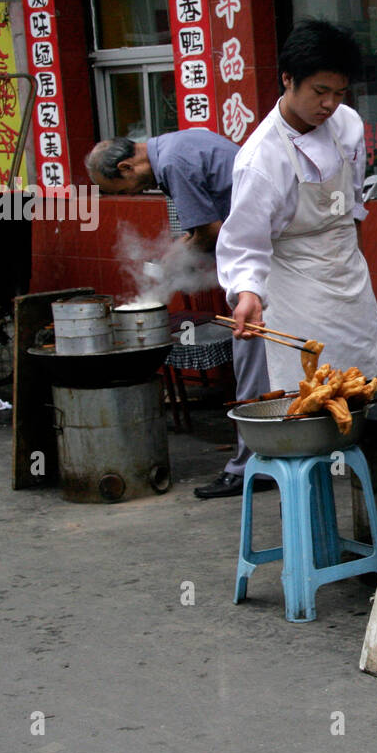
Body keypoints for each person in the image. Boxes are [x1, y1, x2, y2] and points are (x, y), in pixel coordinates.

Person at [216, 20, 377, 407]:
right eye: (320, 91)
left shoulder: (346, 124)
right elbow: (245, 242)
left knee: (375, 389)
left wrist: (357, 267)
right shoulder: (260, 159)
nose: (330, 104)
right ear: (288, 79)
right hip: (298, 290)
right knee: (317, 397)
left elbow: (351, 206)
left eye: (339, 92)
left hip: (350, 279)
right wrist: (246, 293)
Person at [84, 129, 275, 499]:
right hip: (262, 249)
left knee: (251, 356)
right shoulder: (177, 145)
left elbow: (210, 233)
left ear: (126, 166)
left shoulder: (173, 164)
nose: (131, 195)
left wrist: (167, 267)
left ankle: (251, 467)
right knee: (266, 359)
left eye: (123, 189)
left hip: (262, 258)